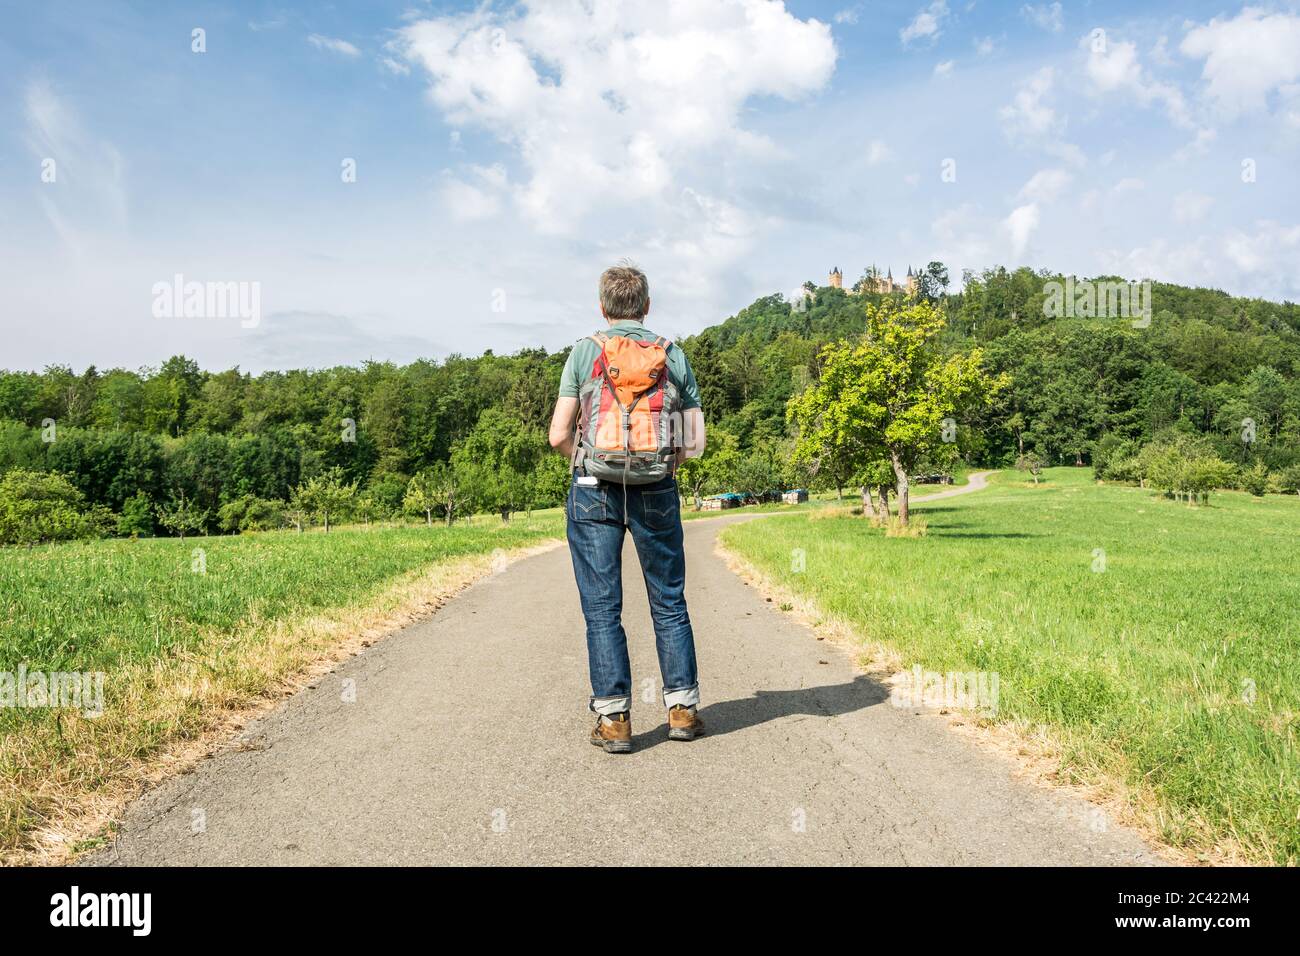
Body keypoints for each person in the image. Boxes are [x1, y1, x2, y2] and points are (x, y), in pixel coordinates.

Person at [548, 262, 707, 754]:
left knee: (602, 609)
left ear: (603, 307)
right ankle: (681, 710)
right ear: (646, 306)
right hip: (656, 488)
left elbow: (557, 435)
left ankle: (614, 719)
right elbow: (695, 440)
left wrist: (583, 458)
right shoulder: (672, 354)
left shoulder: (584, 353)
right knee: (668, 602)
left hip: (594, 487)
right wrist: (665, 462)